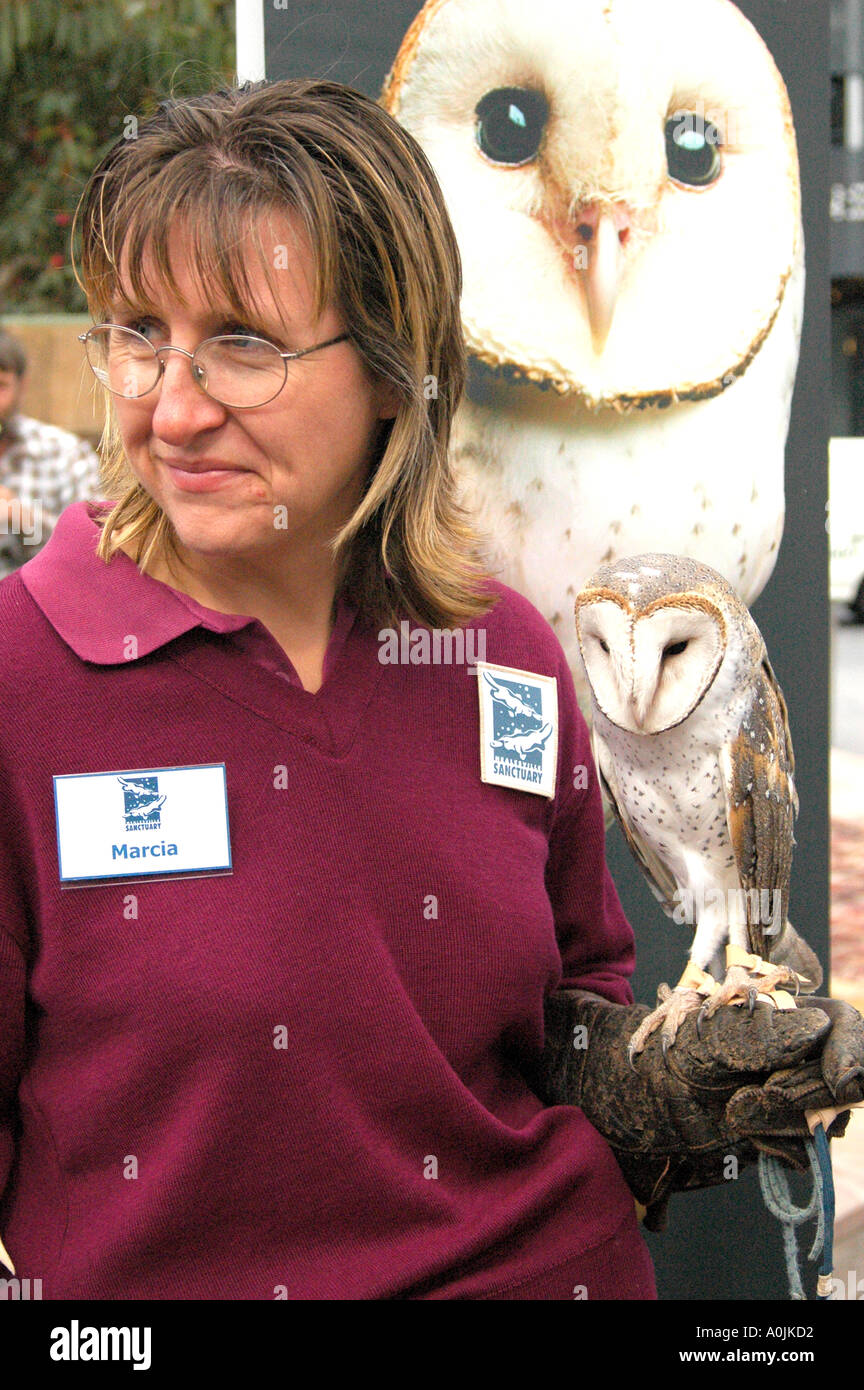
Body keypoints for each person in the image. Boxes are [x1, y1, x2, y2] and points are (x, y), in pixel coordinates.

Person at [0, 78, 860, 1302]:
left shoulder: (500, 651)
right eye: (138, 333)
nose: (173, 406)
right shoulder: (23, 679)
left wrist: (648, 1085)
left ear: (396, 373)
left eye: (243, 343)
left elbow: (573, 993)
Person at [0, 328, 102, 577]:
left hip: (35, 603)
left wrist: (20, 516)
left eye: (0, 386)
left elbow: (98, 547)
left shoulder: (64, 454)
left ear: (22, 386)